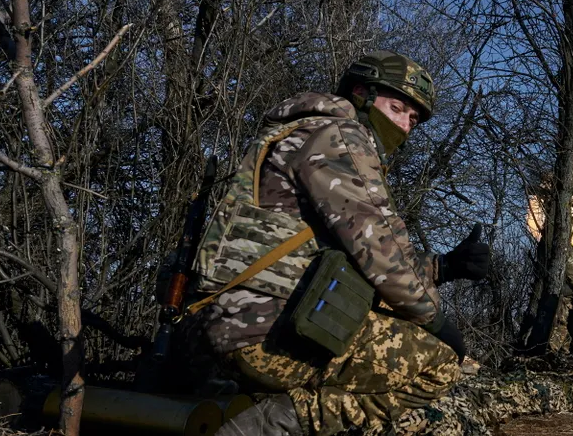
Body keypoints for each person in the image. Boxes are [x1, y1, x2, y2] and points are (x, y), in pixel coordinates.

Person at [185, 51, 491, 436]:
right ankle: (263, 429)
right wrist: (436, 321)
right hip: (269, 333)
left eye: (413, 119)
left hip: (232, 324)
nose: (404, 125)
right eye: (397, 108)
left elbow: (334, 253)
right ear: (361, 94)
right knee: (439, 364)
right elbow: (379, 250)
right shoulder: (339, 137)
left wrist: (441, 268)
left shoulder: (298, 134)